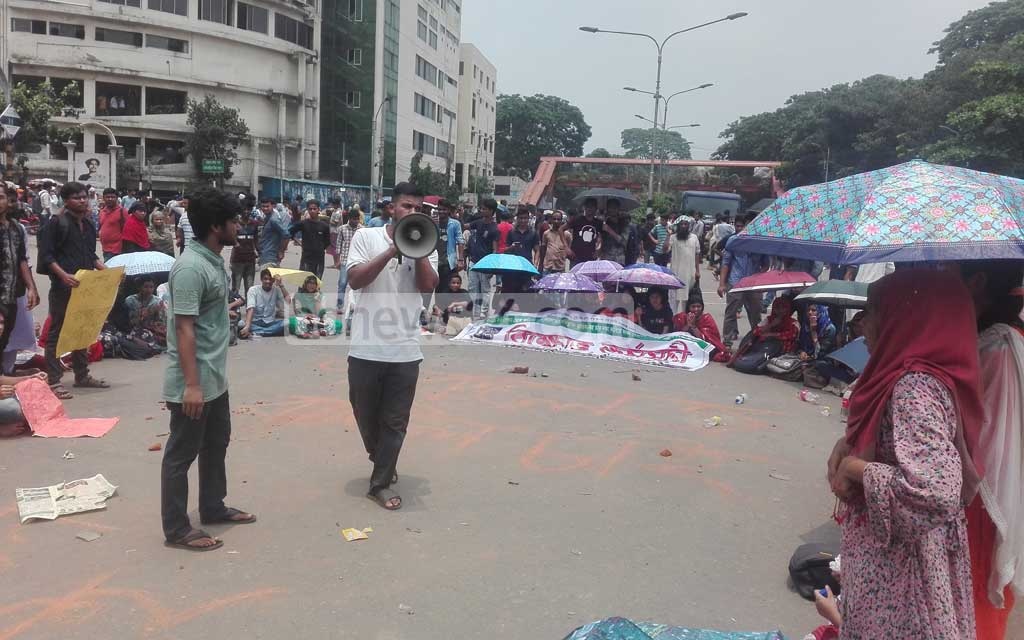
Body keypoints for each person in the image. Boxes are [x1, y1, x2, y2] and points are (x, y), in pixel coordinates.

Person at [825, 269, 980, 637]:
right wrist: (848, 447)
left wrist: (857, 469)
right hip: (893, 573)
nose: (862, 325)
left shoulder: (914, 387)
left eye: (873, 310)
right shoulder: (903, 377)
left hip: (903, 581)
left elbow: (935, 491)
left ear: (904, 317)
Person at [161, 187, 255, 552]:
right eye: (233, 221)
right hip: (193, 381)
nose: (239, 226)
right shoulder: (190, 267)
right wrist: (192, 386)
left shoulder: (213, 260)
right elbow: (184, 328)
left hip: (215, 378)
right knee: (180, 455)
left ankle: (213, 507)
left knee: (216, 444)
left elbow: (203, 315)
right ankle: (177, 529)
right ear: (217, 226)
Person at [346, 182, 438, 511]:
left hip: (405, 350)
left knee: (396, 421)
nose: (413, 213)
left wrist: (420, 253)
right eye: (406, 207)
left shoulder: (427, 240)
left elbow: (428, 287)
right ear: (392, 208)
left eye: (418, 208)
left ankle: (380, 483)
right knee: (365, 415)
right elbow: (356, 280)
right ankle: (382, 458)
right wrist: (390, 251)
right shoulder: (366, 238)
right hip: (365, 348)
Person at [956, 261, 1024, 639]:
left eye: (951, 268)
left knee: (974, 591)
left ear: (977, 281)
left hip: (980, 494)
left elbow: (979, 434)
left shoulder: (994, 346)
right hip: (991, 486)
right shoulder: (1004, 337)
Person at [37, 182, 108, 400]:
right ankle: (54, 380)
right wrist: (63, 275)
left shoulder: (88, 223)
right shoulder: (56, 223)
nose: (82, 200)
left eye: (84, 196)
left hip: (85, 285)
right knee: (57, 332)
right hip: (63, 286)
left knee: (83, 329)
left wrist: (106, 271)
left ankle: (82, 374)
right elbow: (47, 256)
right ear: (66, 200)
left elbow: (91, 255)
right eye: (77, 197)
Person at [0, 188, 39, 372]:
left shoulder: (16, 228)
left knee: (6, 337)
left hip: (12, 295)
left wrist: (31, 288)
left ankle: (5, 377)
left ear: (8, 201)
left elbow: (22, 260)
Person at [718, 217, 768, 347]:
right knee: (731, 312)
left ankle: (756, 340)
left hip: (753, 284)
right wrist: (722, 284)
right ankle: (727, 342)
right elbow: (726, 263)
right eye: (738, 226)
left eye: (742, 226)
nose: (740, 229)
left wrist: (760, 280)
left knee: (755, 314)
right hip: (735, 282)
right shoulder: (732, 241)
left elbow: (765, 265)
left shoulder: (759, 243)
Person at [466, 199, 499, 319]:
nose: (482, 210)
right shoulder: (478, 222)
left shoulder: (494, 228)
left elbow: (495, 249)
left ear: (491, 211)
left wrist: (492, 267)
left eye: (484, 209)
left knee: (485, 290)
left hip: (486, 264)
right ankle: (475, 312)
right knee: (472, 288)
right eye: (482, 208)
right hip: (474, 262)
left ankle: (483, 314)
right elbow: (465, 226)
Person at [240, 269, 288, 338]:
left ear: (273, 280)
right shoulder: (253, 290)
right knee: (240, 324)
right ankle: (267, 332)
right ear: (261, 279)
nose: (268, 281)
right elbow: (251, 308)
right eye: (265, 279)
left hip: (270, 323)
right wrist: (247, 326)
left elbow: (288, 302)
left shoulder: (276, 290)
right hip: (255, 322)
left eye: (270, 279)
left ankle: (259, 332)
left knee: (287, 323)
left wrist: (281, 285)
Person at [502, 208, 539, 294]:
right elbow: (505, 250)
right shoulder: (511, 233)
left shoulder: (533, 233)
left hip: (526, 266)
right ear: (517, 219)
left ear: (528, 219)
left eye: (525, 218)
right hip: (513, 267)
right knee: (512, 291)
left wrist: (535, 264)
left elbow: (537, 250)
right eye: (521, 218)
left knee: (525, 291)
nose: (523, 220)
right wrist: (512, 247)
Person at [668, 218, 701, 313]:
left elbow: (697, 254)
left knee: (688, 300)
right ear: (678, 226)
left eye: (685, 224)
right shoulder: (673, 237)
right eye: (681, 224)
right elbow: (665, 249)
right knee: (673, 300)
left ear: (688, 226)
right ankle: (673, 322)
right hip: (675, 274)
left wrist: (698, 271)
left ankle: (687, 323)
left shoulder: (694, 237)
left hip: (690, 274)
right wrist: (668, 234)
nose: (683, 226)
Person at [290, 200, 330, 278]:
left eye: (314, 209)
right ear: (307, 210)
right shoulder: (303, 223)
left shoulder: (324, 226)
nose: (312, 211)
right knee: (303, 281)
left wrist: (320, 247)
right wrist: (299, 242)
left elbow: (327, 242)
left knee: (316, 282)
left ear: (319, 209)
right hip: (306, 258)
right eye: (310, 209)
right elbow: (290, 232)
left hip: (319, 258)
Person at [124, 276, 167, 346]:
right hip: (135, 330)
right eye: (146, 287)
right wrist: (142, 315)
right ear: (139, 287)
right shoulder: (130, 300)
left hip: (154, 331)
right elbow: (130, 322)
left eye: (151, 287)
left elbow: (161, 322)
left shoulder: (157, 301)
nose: (149, 290)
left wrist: (155, 312)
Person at [335, 209, 363, 314]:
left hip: (358, 261)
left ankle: (355, 305)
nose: (355, 221)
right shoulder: (342, 229)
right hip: (345, 260)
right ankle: (339, 305)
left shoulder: (362, 230)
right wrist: (337, 260)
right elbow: (338, 245)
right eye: (353, 219)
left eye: (357, 219)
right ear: (349, 219)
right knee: (342, 283)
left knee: (357, 285)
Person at [434, 200, 465, 294]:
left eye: (444, 209)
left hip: (448, 262)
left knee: (446, 289)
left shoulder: (455, 224)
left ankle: (444, 308)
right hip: (434, 261)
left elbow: (460, 241)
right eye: (439, 209)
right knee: (432, 288)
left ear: (448, 210)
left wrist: (460, 260)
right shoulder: (433, 222)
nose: (441, 212)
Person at [563, 200, 601, 267]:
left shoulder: (598, 223)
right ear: (584, 208)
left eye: (592, 207)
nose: (590, 209)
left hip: (590, 257)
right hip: (575, 256)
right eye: (588, 207)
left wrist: (598, 250)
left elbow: (603, 235)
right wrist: (566, 247)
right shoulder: (577, 219)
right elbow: (561, 229)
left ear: (596, 209)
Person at [230, 209, 259, 295]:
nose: (246, 211)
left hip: (250, 260)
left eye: (248, 209)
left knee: (250, 290)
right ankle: (235, 307)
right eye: (244, 209)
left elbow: (256, 241)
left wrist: (259, 254)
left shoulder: (254, 224)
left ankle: (249, 308)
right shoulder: (235, 224)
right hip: (238, 260)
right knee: (236, 289)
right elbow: (231, 239)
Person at [256, 198, 289, 270]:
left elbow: (286, 235)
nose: (265, 208)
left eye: (267, 206)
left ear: (273, 206)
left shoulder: (274, 220)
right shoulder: (266, 218)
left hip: (270, 255)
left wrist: (281, 251)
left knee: (269, 278)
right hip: (264, 253)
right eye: (263, 206)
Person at [97, 187, 128, 260]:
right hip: (105, 248)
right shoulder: (102, 212)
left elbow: (127, 229)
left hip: (117, 249)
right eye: (107, 197)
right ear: (103, 198)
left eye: (112, 197)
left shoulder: (122, 211)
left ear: (117, 198)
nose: (110, 199)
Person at [599, 199, 628, 265]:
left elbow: (623, 241)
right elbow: (600, 240)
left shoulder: (624, 223)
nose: (612, 210)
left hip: (619, 260)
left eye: (614, 207)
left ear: (618, 209)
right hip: (605, 259)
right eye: (610, 207)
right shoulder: (604, 222)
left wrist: (609, 230)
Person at [327, 199, 344, 269]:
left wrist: (327, 220)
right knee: (333, 247)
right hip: (333, 231)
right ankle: (335, 263)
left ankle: (337, 263)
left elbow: (335, 222)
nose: (332, 206)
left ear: (337, 205)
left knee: (335, 247)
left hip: (335, 231)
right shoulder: (335, 211)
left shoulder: (338, 212)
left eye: (334, 204)